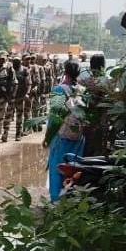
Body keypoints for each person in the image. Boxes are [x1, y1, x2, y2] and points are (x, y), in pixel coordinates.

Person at [45, 60, 85, 201]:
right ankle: (70, 199)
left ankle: (56, 201)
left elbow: (55, 117)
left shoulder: (59, 90)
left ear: (65, 71)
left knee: (57, 169)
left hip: (61, 136)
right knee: (73, 169)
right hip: (78, 137)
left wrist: (47, 137)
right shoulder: (81, 90)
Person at [13, 54, 33, 141]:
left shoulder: (25, 70)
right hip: (10, 97)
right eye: (15, 61)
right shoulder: (9, 69)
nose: (16, 63)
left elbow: (29, 83)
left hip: (21, 97)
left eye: (17, 61)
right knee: (7, 117)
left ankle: (18, 133)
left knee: (19, 115)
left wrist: (27, 94)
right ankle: (5, 134)